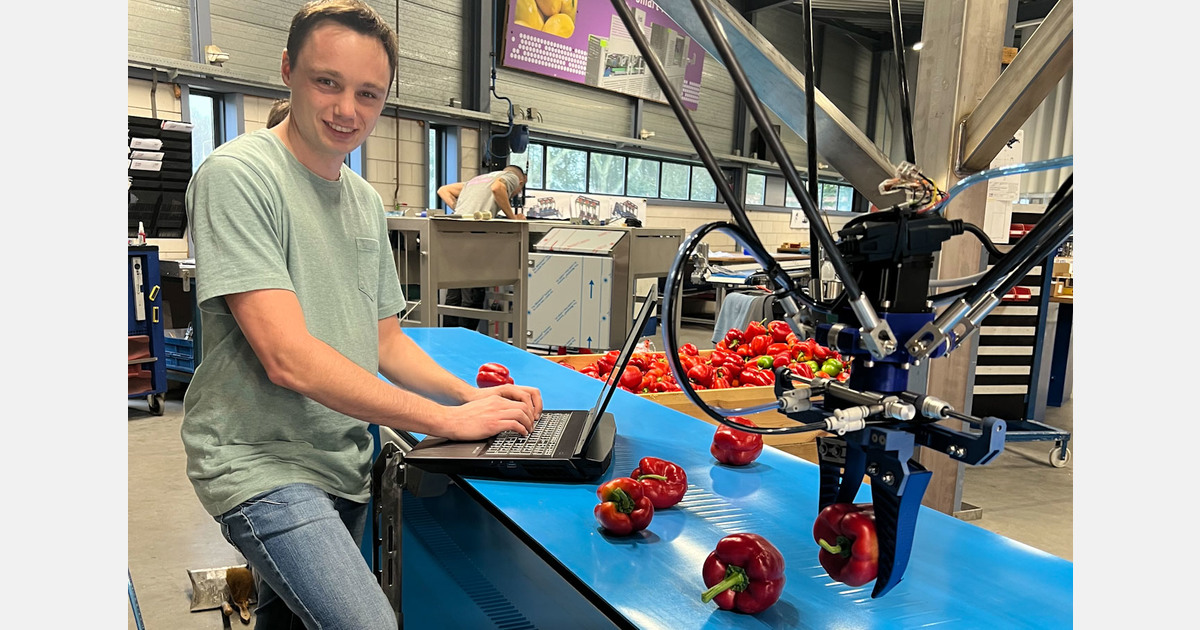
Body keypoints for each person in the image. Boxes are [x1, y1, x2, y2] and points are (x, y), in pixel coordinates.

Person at [182, 2, 544, 628]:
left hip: (342, 456)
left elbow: (386, 341)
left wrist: (470, 403)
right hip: (261, 463)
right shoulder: (239, 177)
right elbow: (287, 358)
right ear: (289, 70)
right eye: (328, 82)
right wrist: (442, 420)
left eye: (368, 94)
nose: (347, 109)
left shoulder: (363, 202)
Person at [435, 165, 528, 329]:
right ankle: (467, 343)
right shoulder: (511, 177)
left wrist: (462, 210)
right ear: (521, 181)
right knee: (472, 293)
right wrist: (514, 219)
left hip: (453, 235)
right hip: (473, 238)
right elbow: (498, 188)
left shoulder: (477, 181)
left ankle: (447, 342)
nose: (515, 193)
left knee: (454, 294)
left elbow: (443, 190)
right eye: (518, 190)